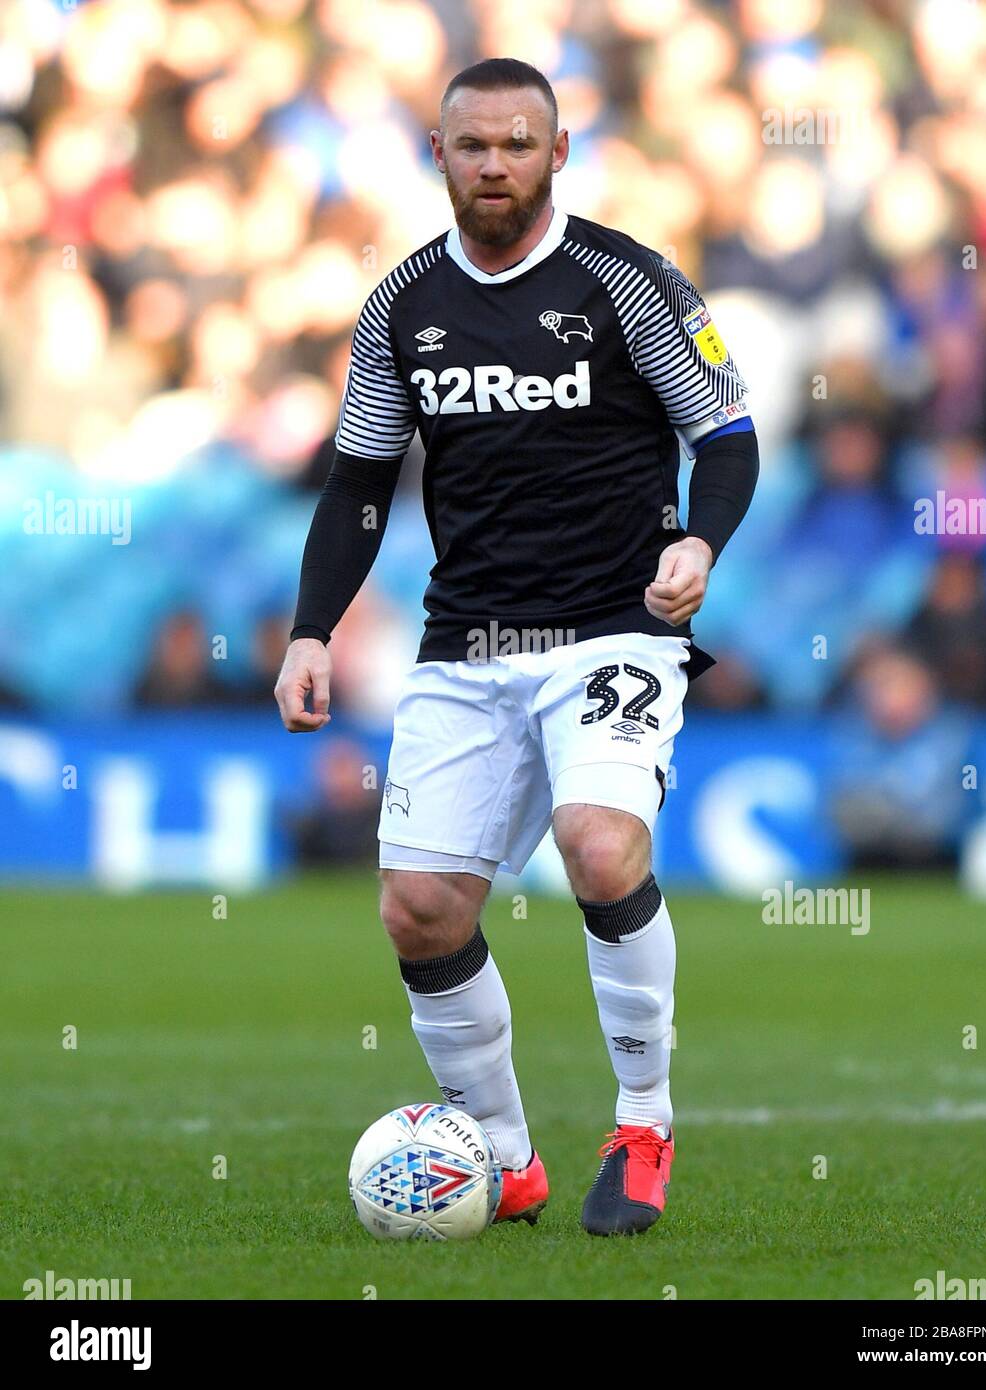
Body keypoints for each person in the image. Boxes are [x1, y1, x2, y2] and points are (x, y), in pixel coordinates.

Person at [275, 59, 759, 1236]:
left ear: (557, 153)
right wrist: (309, 630)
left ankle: (642, 1122)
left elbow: (728, 435)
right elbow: (356, 486)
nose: (495, 163)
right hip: (466, 640)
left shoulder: (624, 281)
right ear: (438, 157)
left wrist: (700, 541)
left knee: (600, 847)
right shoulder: (401, 305)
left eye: (518, 143)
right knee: (421, 911)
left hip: (614, 629)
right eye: (473, 145)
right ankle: (505, 1160)